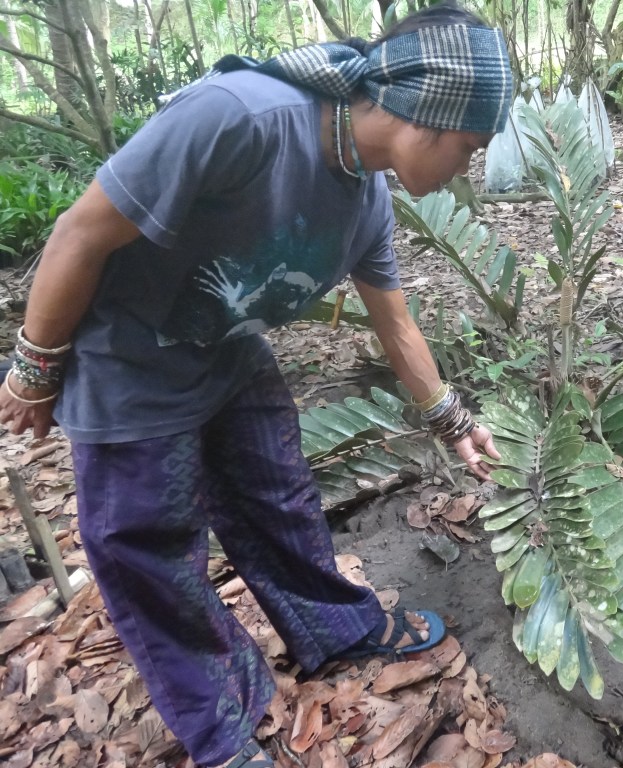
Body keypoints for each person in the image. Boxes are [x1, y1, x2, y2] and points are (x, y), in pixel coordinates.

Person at [0, 4, 511, 766]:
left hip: (230, 353)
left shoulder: (366, 201)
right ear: (422, 115)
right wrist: (36, 369)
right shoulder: (240, 118)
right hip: (128, 364)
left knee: (280, 498)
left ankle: (336, 630)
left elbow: (397, 329)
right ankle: (222, 726)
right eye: (469, 148)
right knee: (151, 553)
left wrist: (453, 421)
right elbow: (80, 231)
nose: (467, 168)